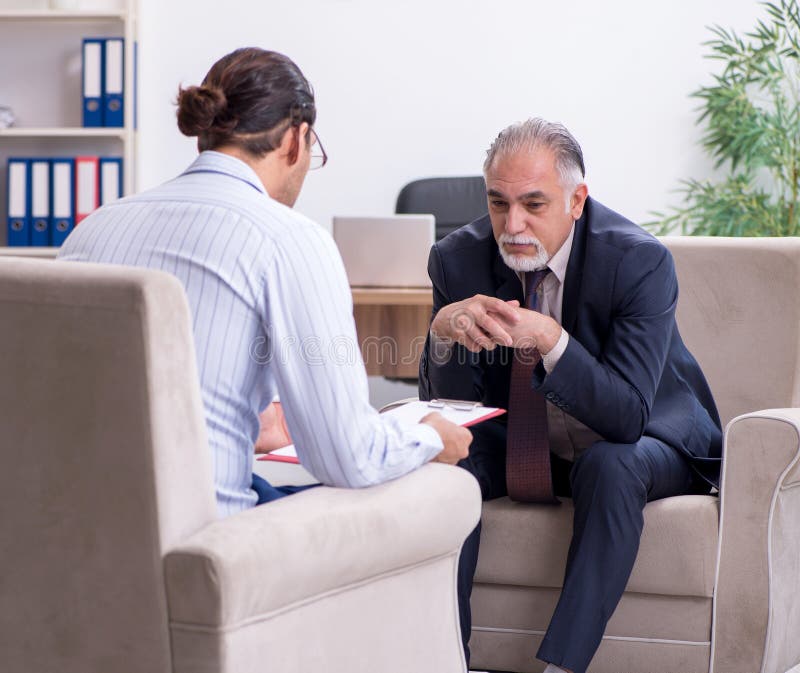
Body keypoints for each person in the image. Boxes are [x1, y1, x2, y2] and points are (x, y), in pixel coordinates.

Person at [58, 47, 471, 517]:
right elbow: (349, 458)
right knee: (431, 491)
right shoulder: (288, 239)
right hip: (207, 545)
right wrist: (430, 434)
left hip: (73, 535)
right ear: (296, 141)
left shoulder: (92, 229)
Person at [418, 118, 722, 673]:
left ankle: (561, 666)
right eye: (498, 203)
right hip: (525, 445)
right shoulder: (456, 260)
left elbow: (628, 415)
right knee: (443, 464)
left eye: (534, 204)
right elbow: (456, 414)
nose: (513, 225)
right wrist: (442, 336)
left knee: (611, 464)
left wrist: (553, 340)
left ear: (576, 200)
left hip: (650, 437)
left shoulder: (638, 261)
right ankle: (444, 660)